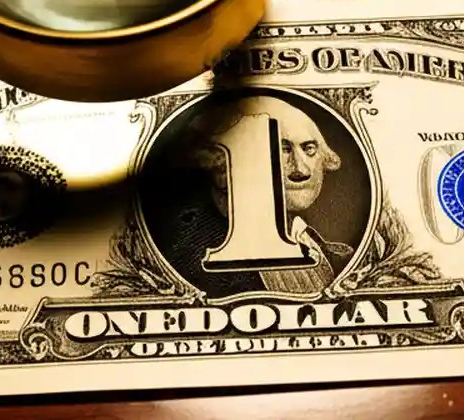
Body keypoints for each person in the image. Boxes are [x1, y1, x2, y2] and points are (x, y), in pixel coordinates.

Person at [147, 94, 355, 297]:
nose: (301, 169)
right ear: (226, 161)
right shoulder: (190, 254)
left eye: (309, 149)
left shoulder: (320, 247)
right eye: (282, 149)